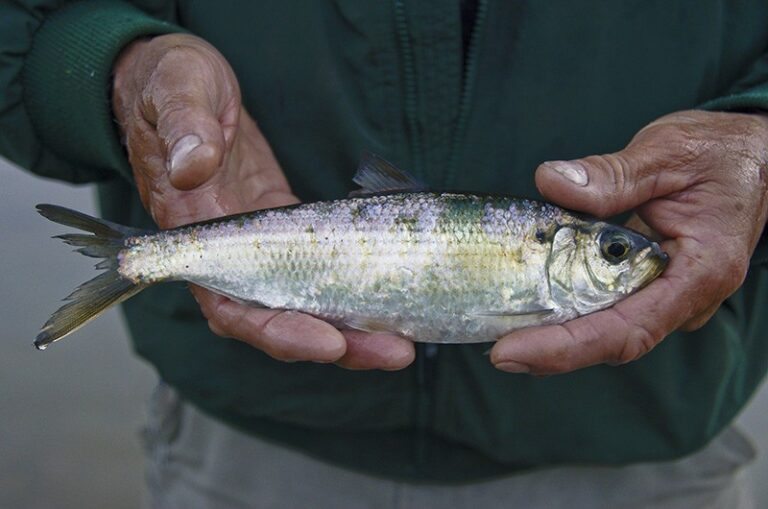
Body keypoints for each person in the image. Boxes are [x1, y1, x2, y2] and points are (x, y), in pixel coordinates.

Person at [2, 1, 767, 507]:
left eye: (614, 250)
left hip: (649, 458)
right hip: (250, 447)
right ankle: (135, 258)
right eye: (610, 250)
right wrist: (107, 70)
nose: (634, 258)